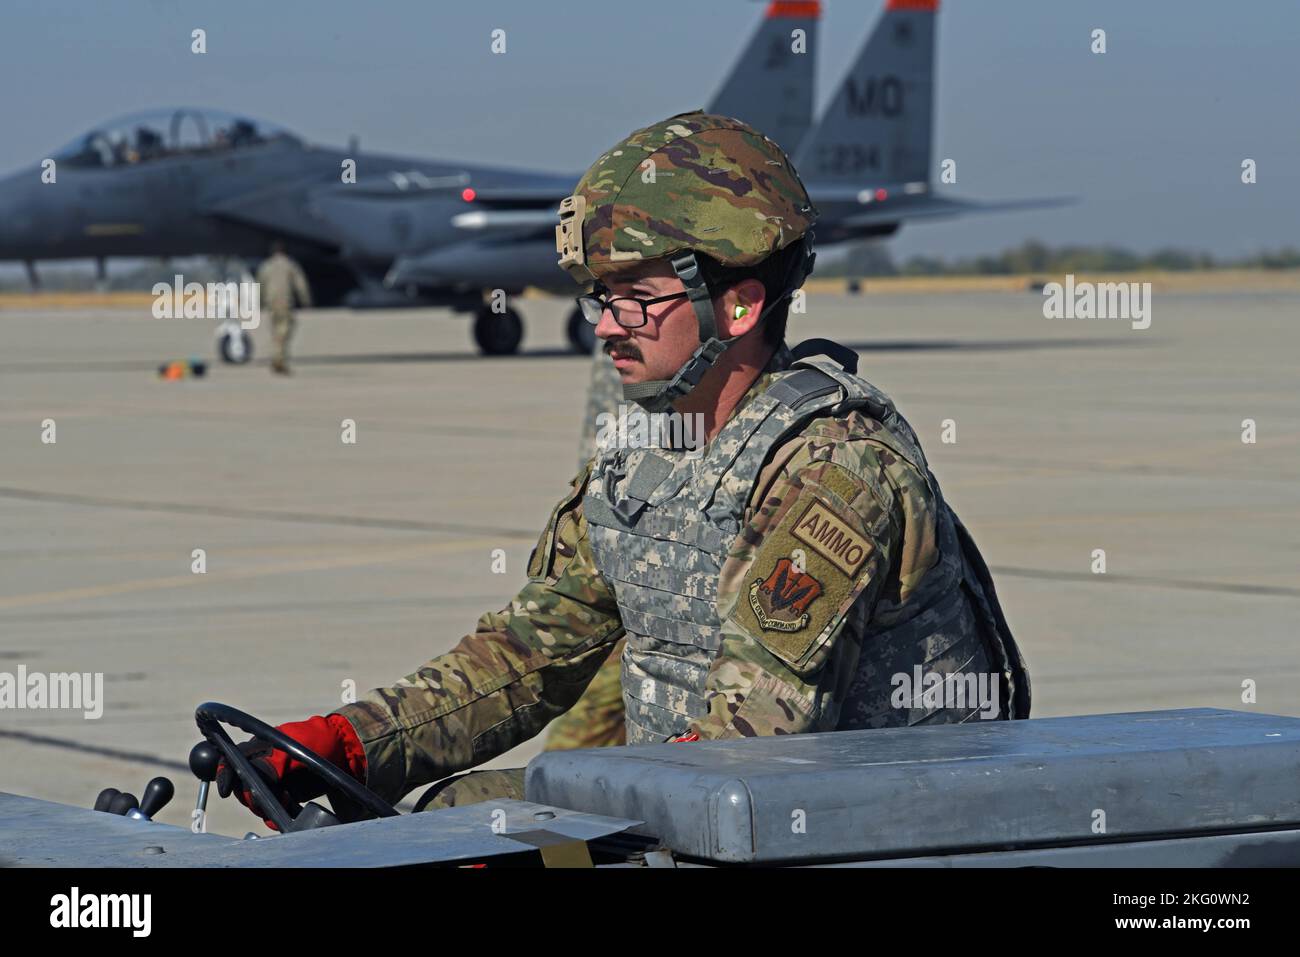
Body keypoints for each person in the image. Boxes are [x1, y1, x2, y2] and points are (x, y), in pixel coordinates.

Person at [217, 112, 1030, 825]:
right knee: (442, 816)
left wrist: (525, 817)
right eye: (597, 297)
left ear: (740, 303)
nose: (606, 327)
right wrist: (351, 744)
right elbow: (529, 654)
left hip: (853, 830)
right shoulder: (648, 450)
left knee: (473, 828)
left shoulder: (833, 471)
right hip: (692, 807)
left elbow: (751, 749)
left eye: (634, 296)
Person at [255, 241, 312, 374]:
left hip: (271, 303)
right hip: (285, 301)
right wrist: (305, 300)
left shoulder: (266, 266)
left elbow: (260, 285)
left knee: (276, 330)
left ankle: (278, 358)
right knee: (284, 330)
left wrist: (259, 302)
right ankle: (278, 359)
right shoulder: (290, 265)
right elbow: (300, 283)